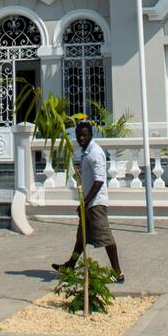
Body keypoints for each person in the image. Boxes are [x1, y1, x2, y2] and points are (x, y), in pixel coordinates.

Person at [52, 120, 124, 282]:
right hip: (89, 201)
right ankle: (70, 264)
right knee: (81, 237)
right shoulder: (86, 152)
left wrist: (85, 202)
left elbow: (99, 181)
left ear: (91, 135)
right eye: (78, 136)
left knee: (105, 237)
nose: (81, 139)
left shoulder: (95, 153)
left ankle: (118, 272)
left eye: (84, 135)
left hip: (96, 203)